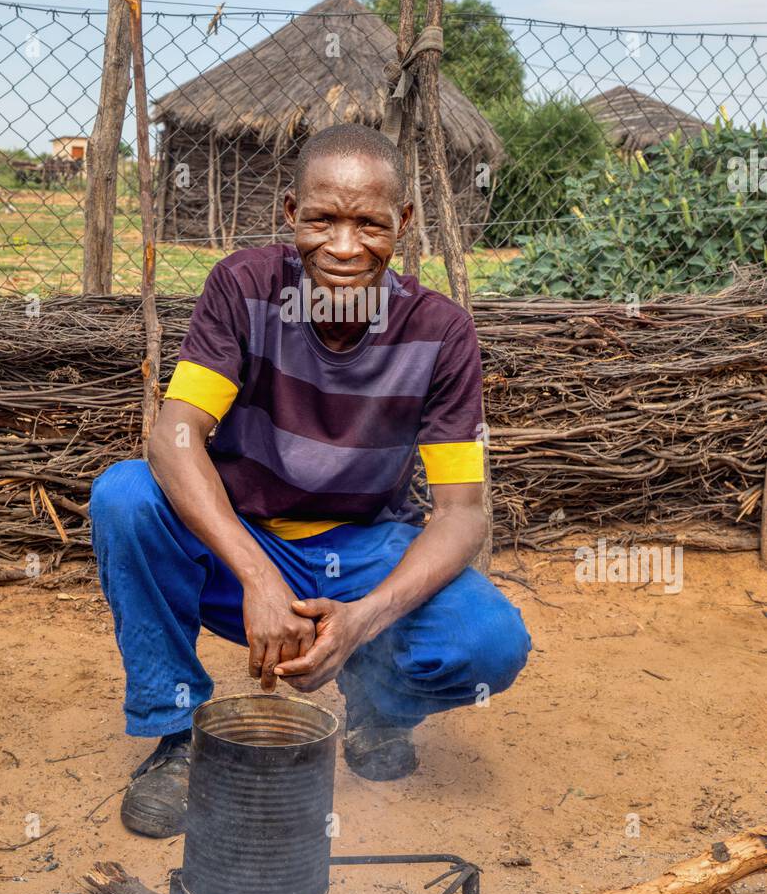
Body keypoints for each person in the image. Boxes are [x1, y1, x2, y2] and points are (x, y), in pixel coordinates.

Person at [90, 123, 531, 836]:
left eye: (370, 223)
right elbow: (174, 438)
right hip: (235, 546)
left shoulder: (442, 333)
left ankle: (378, 709)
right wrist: (259, 577)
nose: (346, 246)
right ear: (291, 213)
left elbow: (461, 516)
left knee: (491, 639)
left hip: (358, 551)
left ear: (405, 224)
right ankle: (178, 737)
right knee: (127, 495)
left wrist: (363, 619)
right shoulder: (244, 286)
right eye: (323, 219)